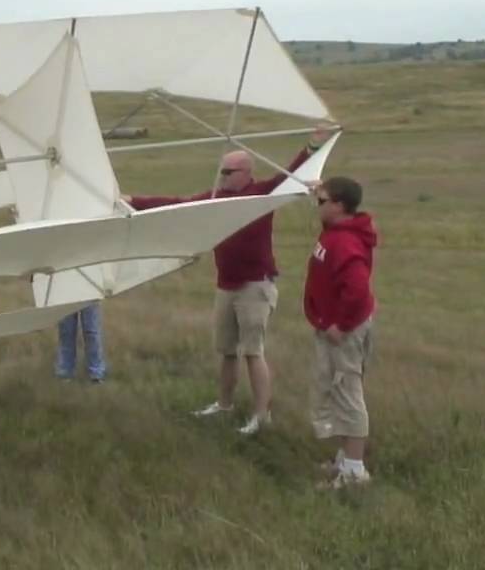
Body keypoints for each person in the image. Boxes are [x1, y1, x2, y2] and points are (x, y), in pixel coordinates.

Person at [122, 125, 332, 435]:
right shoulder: (216, 197)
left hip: (255, 286)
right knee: (227, 351)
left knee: (253, 352)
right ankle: (224, 405)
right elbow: (178, 203)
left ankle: (262, 415)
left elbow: (290, 174)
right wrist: (131, 201)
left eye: (227, 172)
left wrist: (312, 146)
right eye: (221, 171)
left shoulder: (262, 193)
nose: (221, 177)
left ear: (246, 172)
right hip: (226, 286)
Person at [304, 176, 378, 488]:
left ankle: (355, 471)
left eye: (321, 201)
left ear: (339, 206)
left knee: (348, 393)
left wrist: (341, 325)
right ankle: (345, 459)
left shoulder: (346, 243)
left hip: (343, 331)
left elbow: (358, 291)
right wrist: (318, 190)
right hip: (332, 325)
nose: (317, 206)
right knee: (336, 391)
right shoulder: (335, 230)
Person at [56, 302, 105, 383]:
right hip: (65, 296)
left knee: (91, 332)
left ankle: (96, 373)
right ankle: (65, 371)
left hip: (89, 296)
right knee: (66, 331)